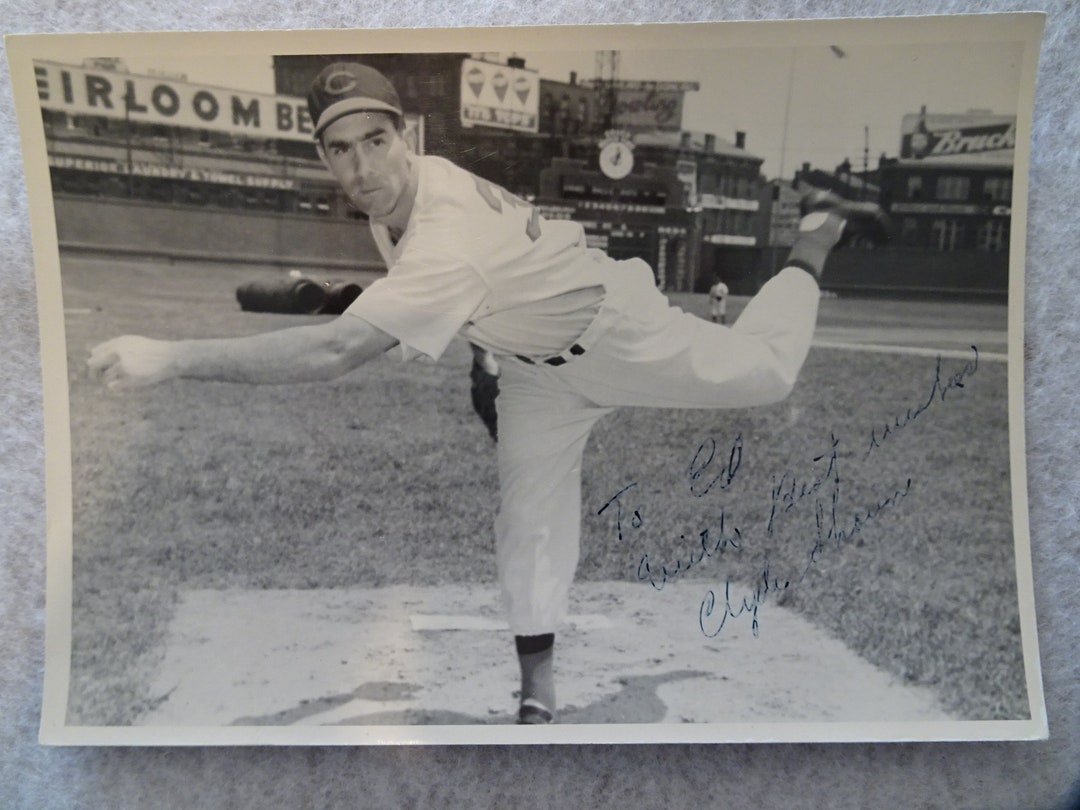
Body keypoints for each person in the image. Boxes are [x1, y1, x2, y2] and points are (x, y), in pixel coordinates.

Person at [88, 61, 886, 725]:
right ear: (324, 158)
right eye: (340, 150)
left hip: (617, 332)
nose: (361, 168)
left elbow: (339, 351)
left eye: (375, 141)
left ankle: (815, 236)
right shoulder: (398, 208)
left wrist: (171, 357)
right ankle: (538, 695)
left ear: (408, 137)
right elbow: (435, 301)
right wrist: (369, 308)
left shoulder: (443, 225)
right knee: (528, 525)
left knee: (767, 372)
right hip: (536, 373)